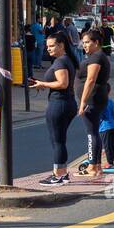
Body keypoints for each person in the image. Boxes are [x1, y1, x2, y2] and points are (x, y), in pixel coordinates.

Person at [30, 30, 78, 185]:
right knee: (59, 140)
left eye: (51, 46)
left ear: (61, 45)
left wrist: (43, 84)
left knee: (57, 141)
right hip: (66, 103)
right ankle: (62, 173)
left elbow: (62, 84)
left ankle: (58, 175)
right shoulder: (65, 60)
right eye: (47, 46)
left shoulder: (61, 62)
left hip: (60, 104)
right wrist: (43, 85)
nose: (48, 49)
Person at [76, 28, 114, 177]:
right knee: (94, 132)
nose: (84, 45)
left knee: (91, 133)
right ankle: (97, 166)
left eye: (87, 42)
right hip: (97, 98)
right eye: (83, 43)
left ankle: (92, 166)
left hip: (92, 99)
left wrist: (83, 102)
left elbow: (91, 80)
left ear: (96, 42)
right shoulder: (98, 56)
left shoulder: (96, 58)